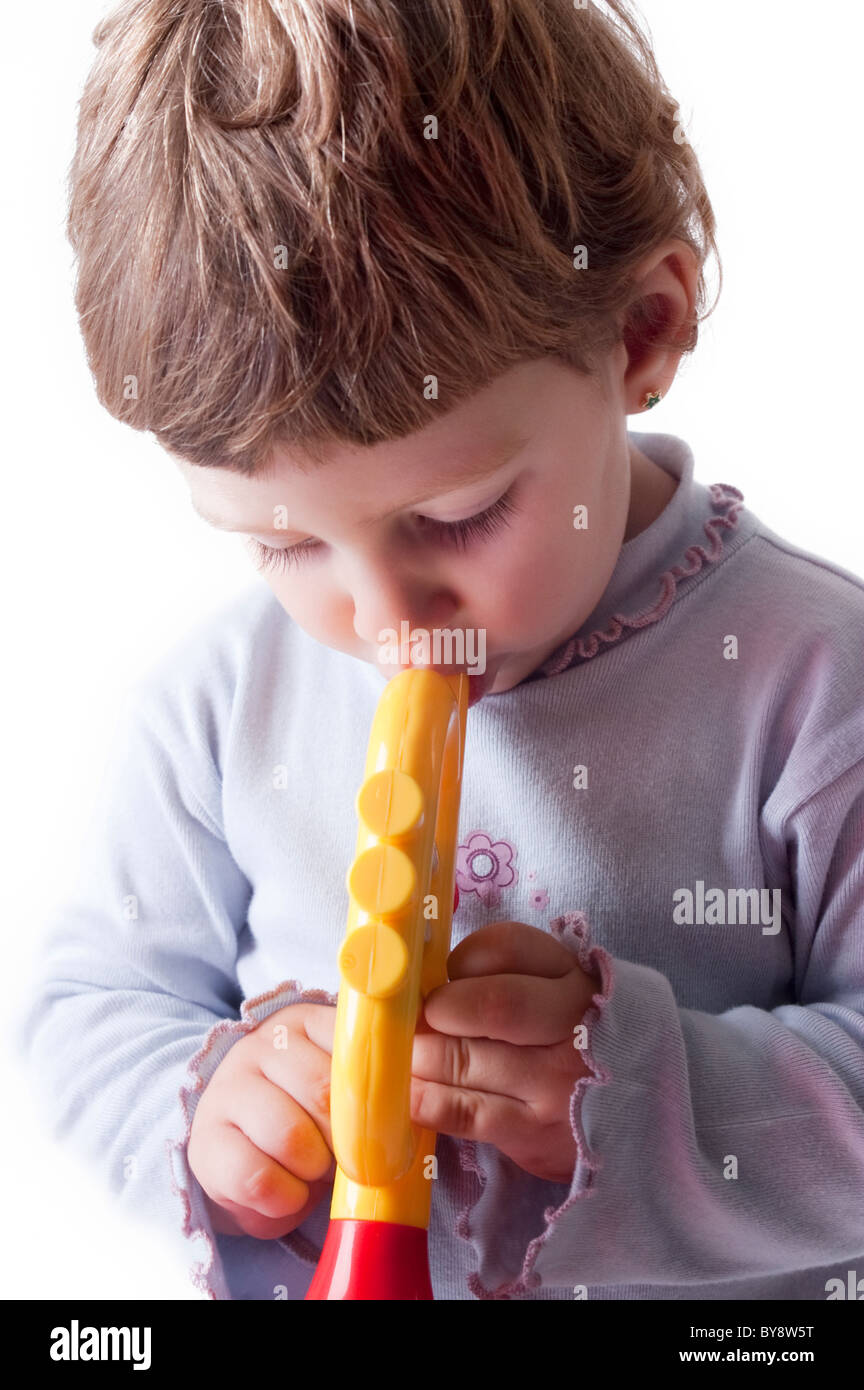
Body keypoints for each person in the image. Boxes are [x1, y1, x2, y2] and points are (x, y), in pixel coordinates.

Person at [16, 0, 864, 1301]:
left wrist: (626, 1094)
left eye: (456, 515)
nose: (385, 617)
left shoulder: (812, 687)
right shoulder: (215, 708)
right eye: (286, 545)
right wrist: (212, 1110)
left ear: (639, 334)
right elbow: (85, 1014)